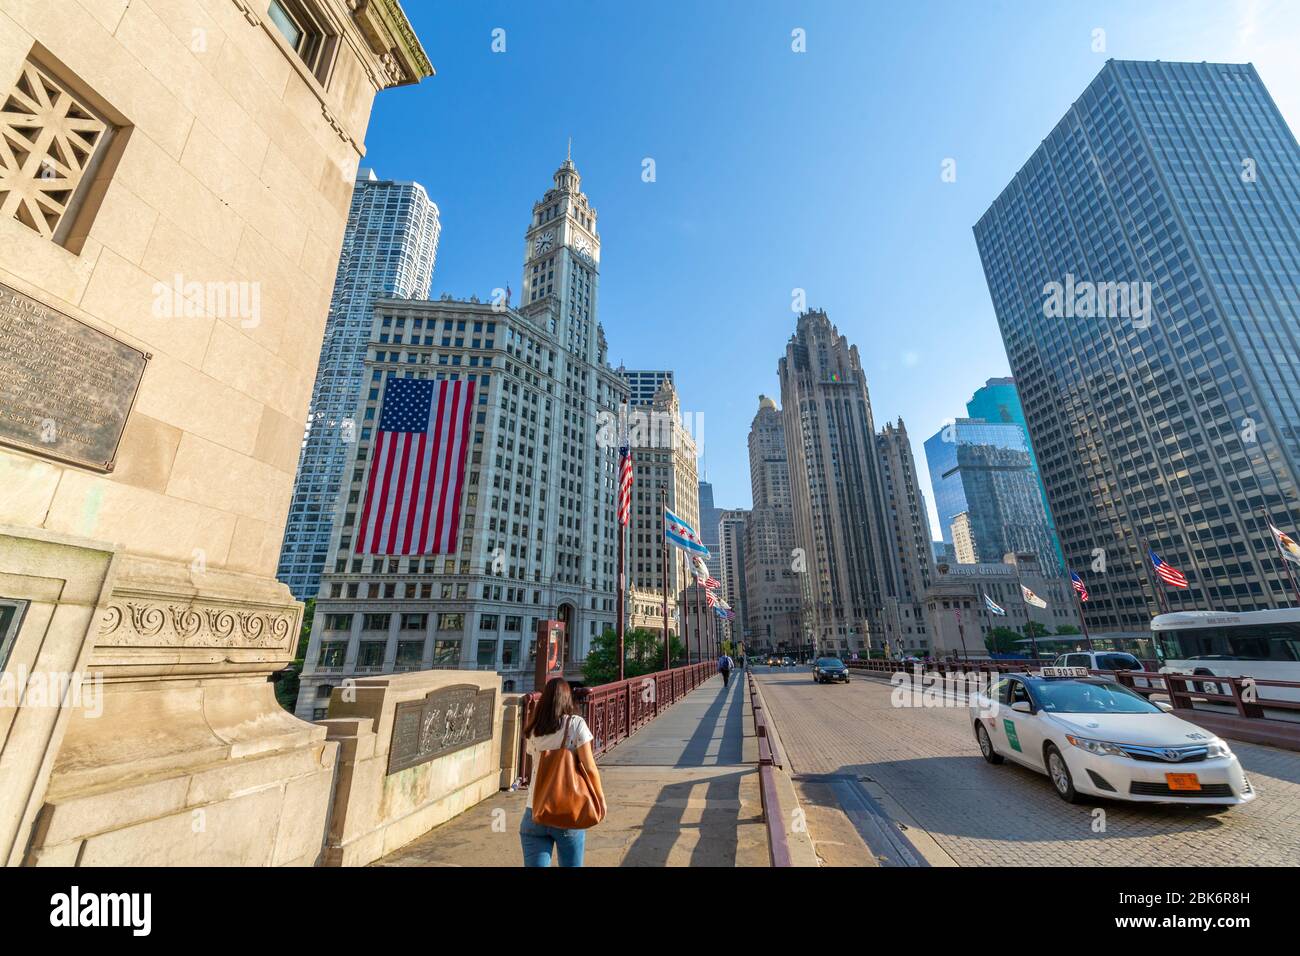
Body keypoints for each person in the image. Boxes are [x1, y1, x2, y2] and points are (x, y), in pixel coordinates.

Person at [520, 677, 606, 867]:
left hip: (534, 811)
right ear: (567, 699)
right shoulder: (576, 724)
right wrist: (600, 799)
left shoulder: (533, 729)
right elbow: (590, 768)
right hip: (567, 811)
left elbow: (533, 763)